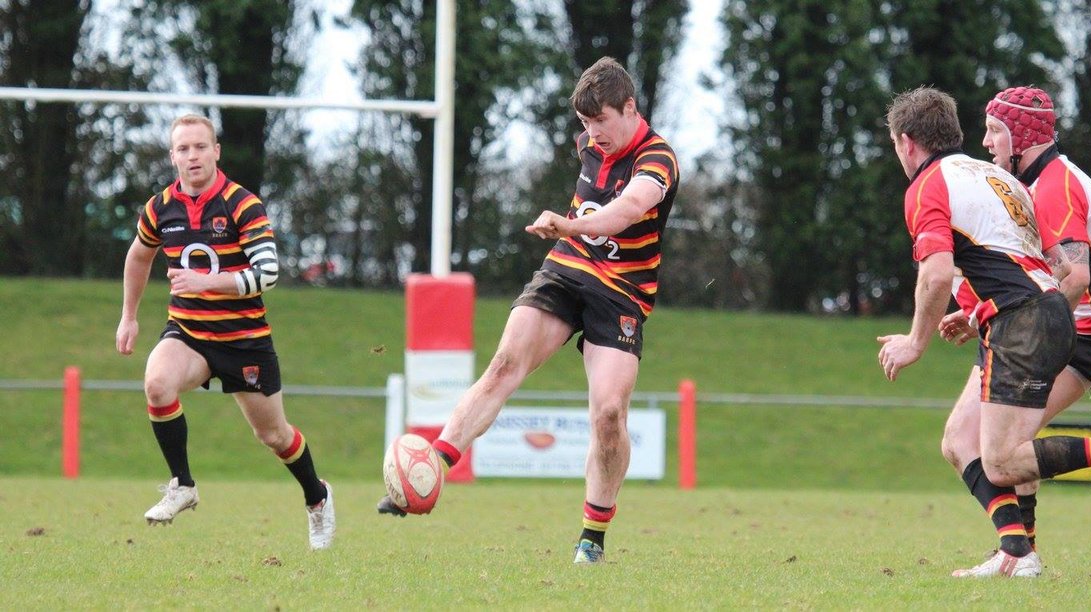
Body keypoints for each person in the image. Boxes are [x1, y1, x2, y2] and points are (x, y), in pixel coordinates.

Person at [377, 56, 680, 564]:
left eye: (601, 120)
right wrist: (569, 234)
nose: (592, 134)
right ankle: (433, 465)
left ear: (630, 108)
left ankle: (591, 537)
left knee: (608, 413)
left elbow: (626, 212)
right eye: (584, 124)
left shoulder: (659, 158)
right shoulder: (588, 142)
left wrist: (567, 223)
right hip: (567, 269)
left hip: (623, 290)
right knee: (503, 364)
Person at [876, 87, 1091, 578]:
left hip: (1084, 326)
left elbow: (943, 274)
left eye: (997, 130)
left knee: (1005, 459)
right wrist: (981, 311)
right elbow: (1053, 256)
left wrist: (917, 342)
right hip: (1048, 319)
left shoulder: (975, 183)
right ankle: (1018, 553)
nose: (988, 140)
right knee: (965, 440)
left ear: (906, 142)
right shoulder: (1004, 180)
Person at [116, 114, 335, 550]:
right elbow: (139, 256)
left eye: (200, 147)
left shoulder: (242, 204)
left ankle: (318, 498)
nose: (192, 156)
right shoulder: (160, 207)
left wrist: (206, 282)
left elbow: (269, 273)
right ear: (173, 156)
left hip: (244, 340)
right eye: (183, 149)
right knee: (157, 382)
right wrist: (129, 315)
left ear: (216, 151)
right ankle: (182, 484)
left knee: (273, 436)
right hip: (189, 333)